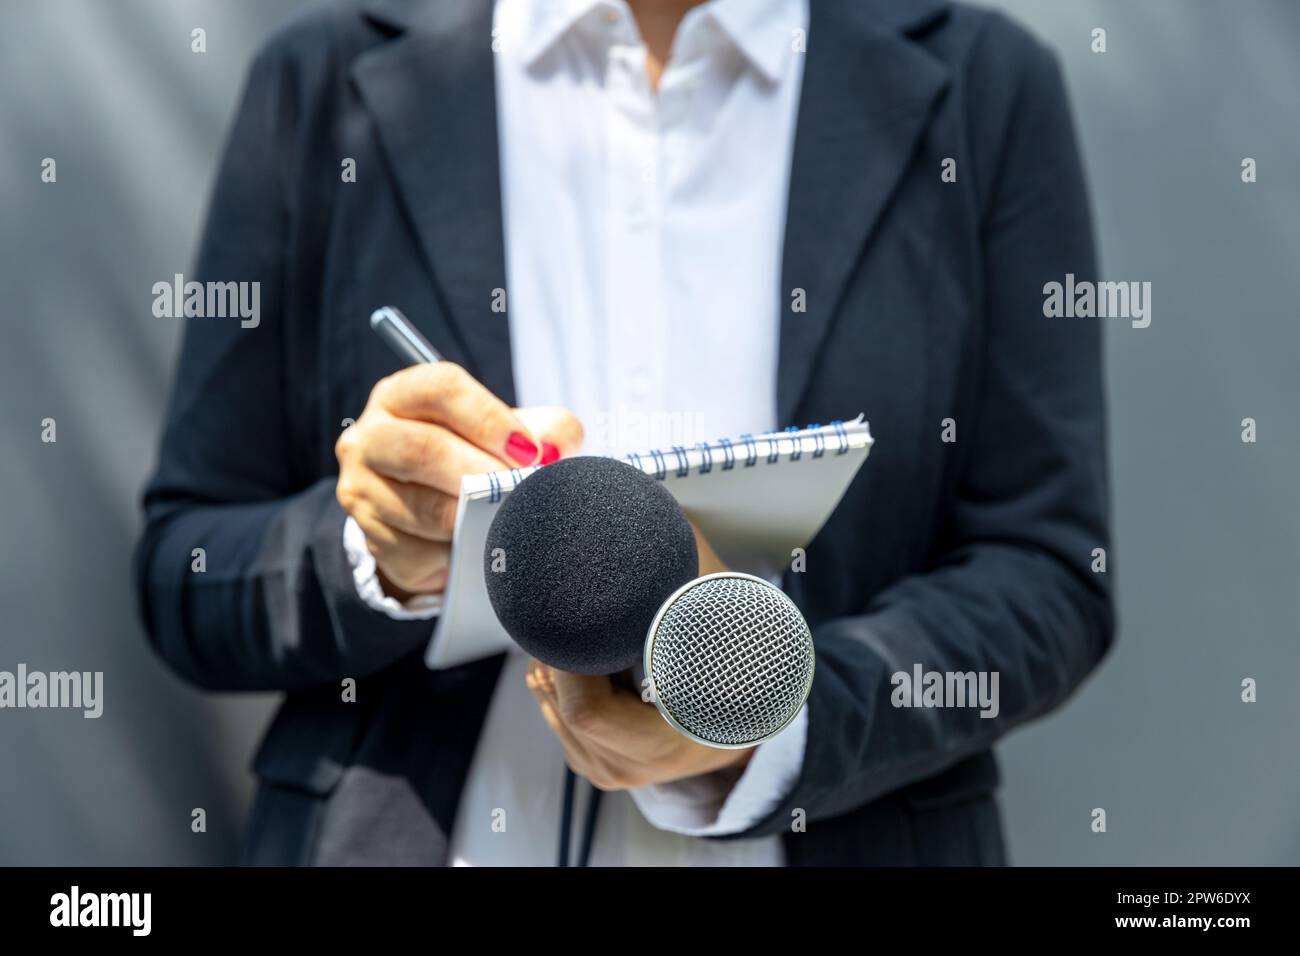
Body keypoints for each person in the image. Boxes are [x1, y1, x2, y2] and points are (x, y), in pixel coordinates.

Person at [134, 0, 1114, 866]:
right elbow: (185, 574)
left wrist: (764, 714)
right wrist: (377, 549)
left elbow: (1049, 571)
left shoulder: (986, 87)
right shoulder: (321, 82)